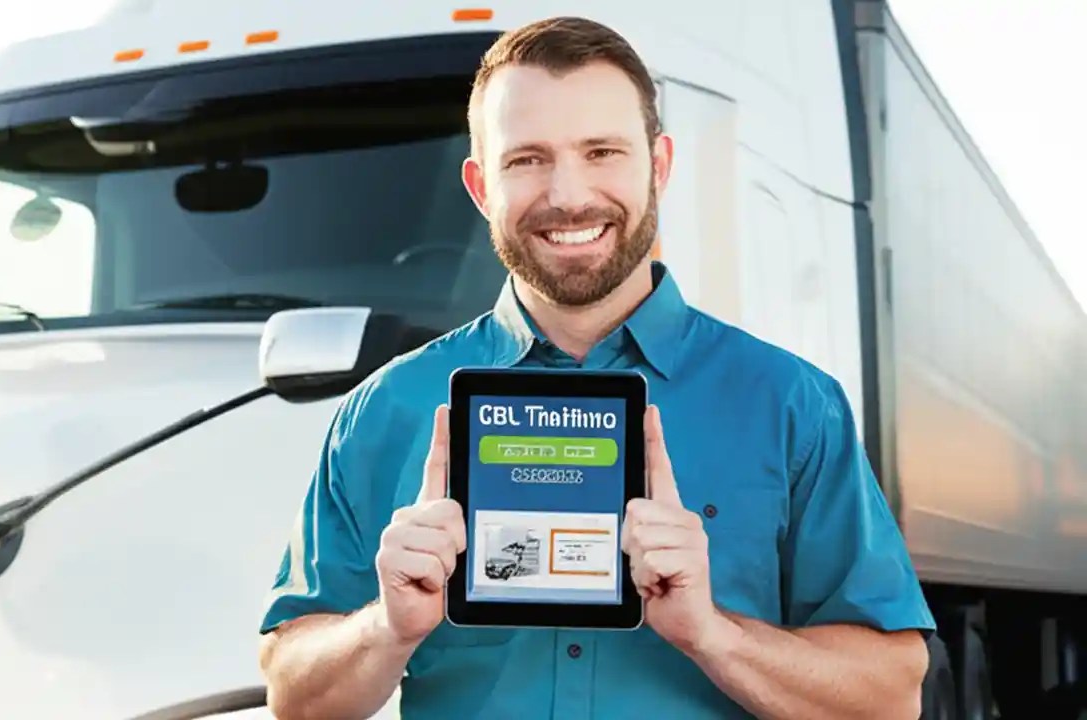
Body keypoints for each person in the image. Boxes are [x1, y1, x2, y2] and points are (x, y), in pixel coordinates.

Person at [257, 15, 936, 720]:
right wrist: (387, 626)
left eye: (602, 151)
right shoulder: (385, 410)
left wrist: (712, 634)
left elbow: (889, 697)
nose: (568, 195)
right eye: (526, 159)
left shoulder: (791, 406)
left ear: (660, 166)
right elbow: (294, 695)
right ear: (481, 186)